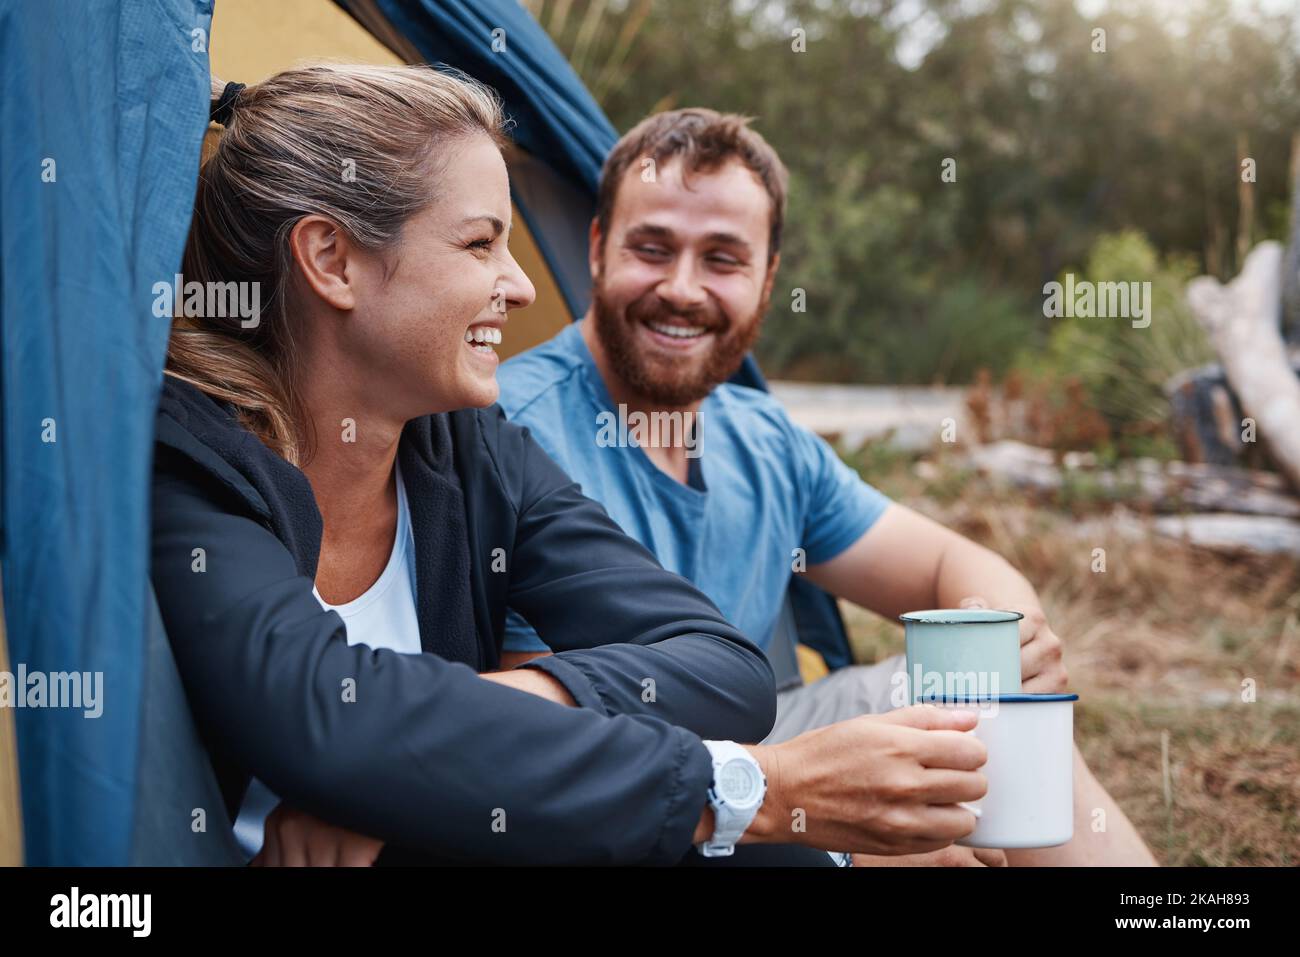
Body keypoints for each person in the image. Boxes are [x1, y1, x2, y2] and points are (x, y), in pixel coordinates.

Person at [151, 65, 989, 866]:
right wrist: (751, 789)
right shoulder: (189, 461)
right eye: (481, 243)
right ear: (332, 259)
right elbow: (322, 716)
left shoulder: (468, 448)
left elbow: (725, 667)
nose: (518, 285)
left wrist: (417, 756)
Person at [494, 108, 1156, 867]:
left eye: (722, 259)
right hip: (627, 785)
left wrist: (1010, 644)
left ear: (768, 279)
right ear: (597, 250)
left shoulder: (763, 437)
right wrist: (860, 843)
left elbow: (946, 565)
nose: (681, 289)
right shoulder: (517, 426)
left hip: (768, 734)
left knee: (990, 719)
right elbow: (546, 738)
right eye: (652, 248)